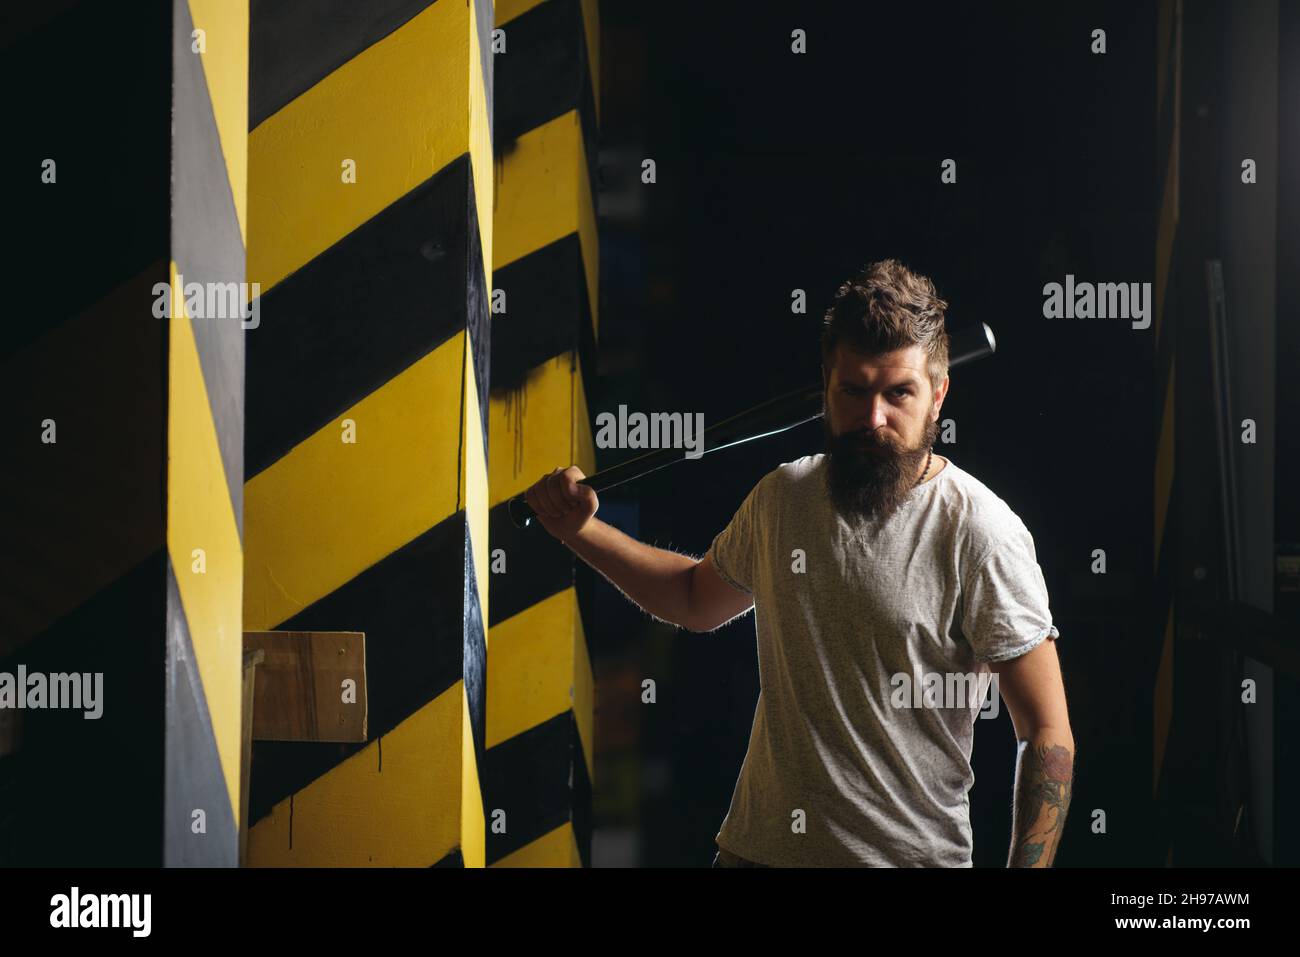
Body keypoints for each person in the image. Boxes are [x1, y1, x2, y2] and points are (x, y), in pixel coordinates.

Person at [524, 259, 1074, 867]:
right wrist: (580, 531)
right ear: (826, 386)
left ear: (938, 394)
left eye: (899, 393)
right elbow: (691, 599)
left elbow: (1046, 733)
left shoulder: (980, 532)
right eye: (854, 391)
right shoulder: (783, 498)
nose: (873, 419)